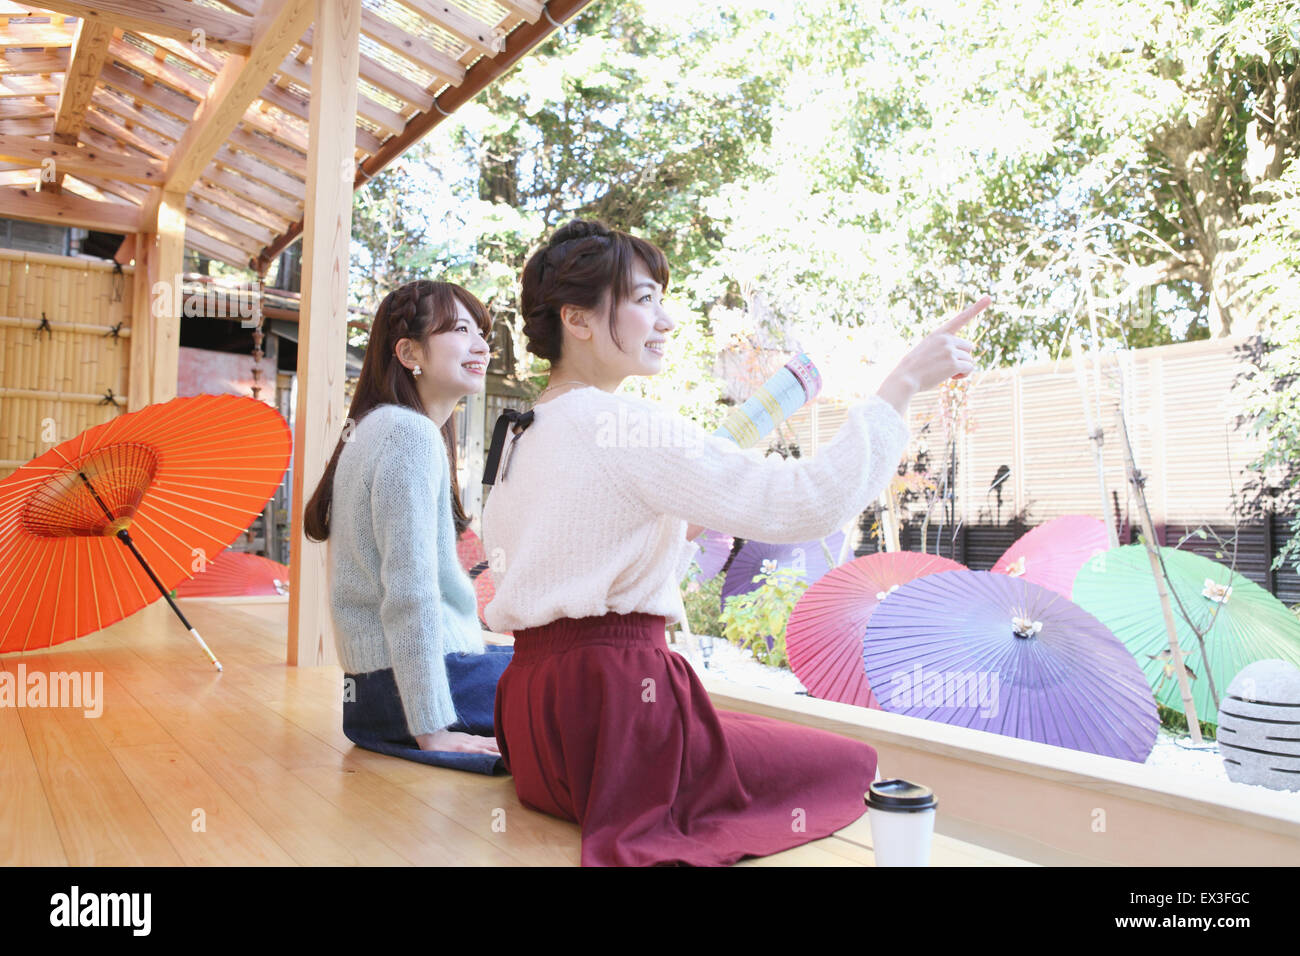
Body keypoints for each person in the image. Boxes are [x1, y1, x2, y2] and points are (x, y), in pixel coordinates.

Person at [481, 219, 977, 864]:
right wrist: (900, 386)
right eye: (643, 300)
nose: (666, 321)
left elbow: (586, 546)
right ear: (577, 320)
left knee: (759, 741)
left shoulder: (522, 432)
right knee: (849, 761)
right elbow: (807, 503)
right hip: (621, 720)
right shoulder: (622, 420)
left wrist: (683, 520)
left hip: (540, 730)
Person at [305, 279, 508, 774]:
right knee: (588, 679)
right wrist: (433, 728)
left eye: (481, 331)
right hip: (423, 691)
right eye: (461, 329)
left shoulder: (378, 427)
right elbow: (409, 591)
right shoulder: (408, 435)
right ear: (409, 351)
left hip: (374, 697)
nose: (481, 344)